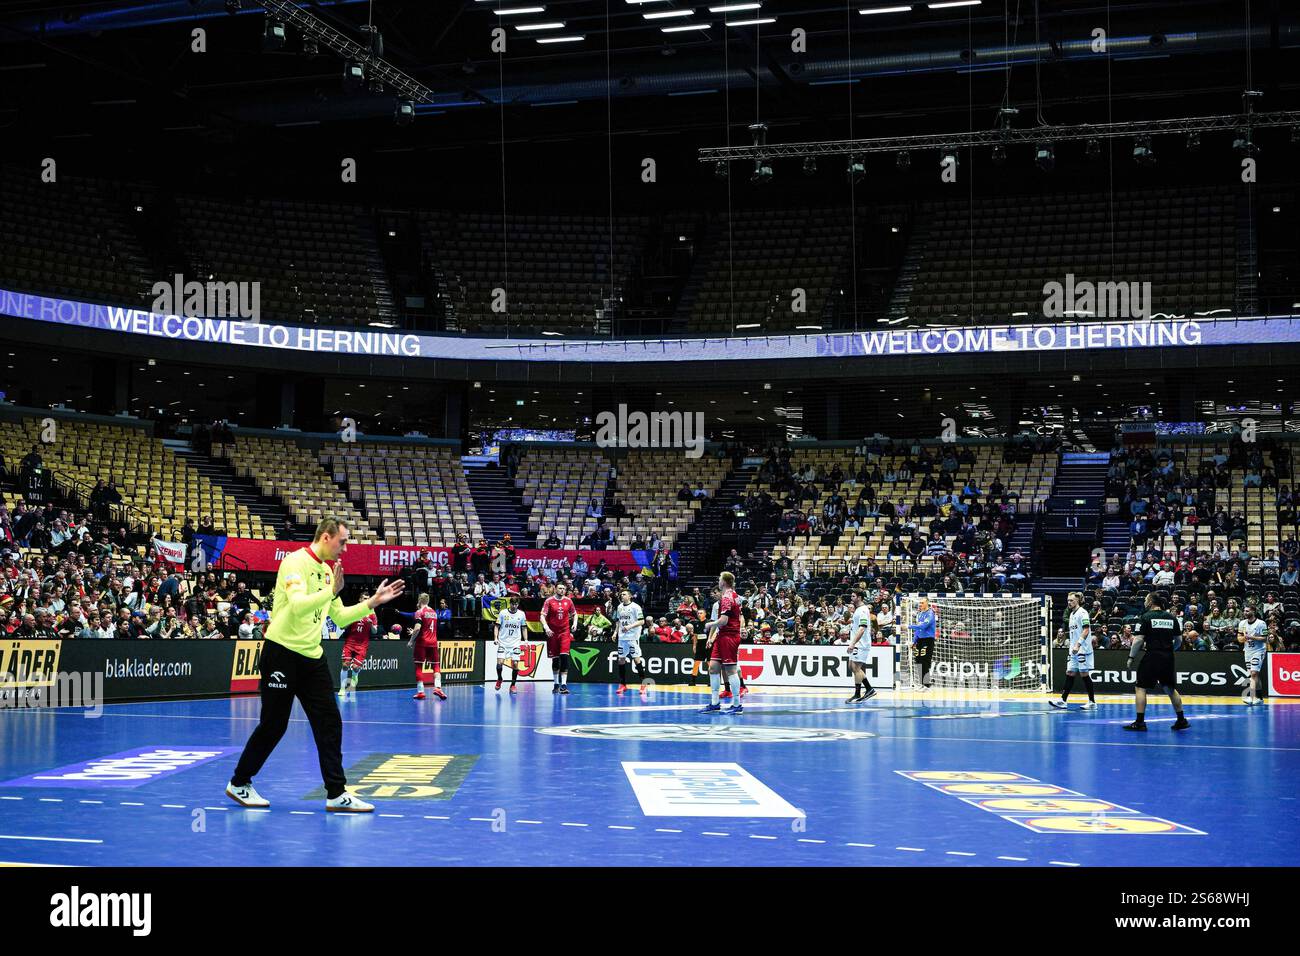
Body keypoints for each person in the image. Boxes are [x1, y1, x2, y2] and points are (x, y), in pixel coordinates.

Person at [226, 516, 404, 813]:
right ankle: (240, 782)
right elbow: (297, 606)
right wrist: (330, 591)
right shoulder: (294, 563)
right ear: (326, 537)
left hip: (312, 657)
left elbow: (340, 616)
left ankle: (336, 793)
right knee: (274, 725)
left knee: (329, 723)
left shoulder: (327, 571)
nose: (345, 549)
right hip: (281, 653)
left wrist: (372, 602)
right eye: (343, 542)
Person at [1123, 592, 1189, 732]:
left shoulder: (1145, 617)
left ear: (1152, 602)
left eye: (1147, 600)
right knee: (1170, 688)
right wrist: (1169, 650)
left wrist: (1131, 657)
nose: (1145, 602)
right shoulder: (1172, 618)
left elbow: (1139, 640)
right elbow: (1178, 641)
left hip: (1152, 656)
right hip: (1168, 656)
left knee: (1140, 687)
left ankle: (1140, 722)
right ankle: (1181, 720)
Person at [699, 570, 744, 715]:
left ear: (724, 582)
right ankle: (714, 703)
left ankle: (737, 704)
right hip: (722, 636)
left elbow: (724, 621)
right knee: (713, 667)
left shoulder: (727, 597)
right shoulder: (734, 595)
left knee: (730, 670)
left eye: (719, 578)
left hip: (729, 636)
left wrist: (709, 625)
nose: (718, 580)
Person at [1050, 592, 1097, 710]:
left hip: (1083, 649)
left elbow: (1086, 630)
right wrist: (1072, 647)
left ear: (1077, 601)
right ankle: (1063, 701)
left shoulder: (1083, 613)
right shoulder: (1071, 614)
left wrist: (1078, 644)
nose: (1069, 602)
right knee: (1070, 672)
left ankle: (1092, 702)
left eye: (1071, 600)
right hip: (1073, 650)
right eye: (1068, 600)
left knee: (1083, 674)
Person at [406, 592, 446, 701]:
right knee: (436, 666)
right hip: (433, 642)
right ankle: (438, 687)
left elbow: (418, 628)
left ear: (419, 600)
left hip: (422, 642)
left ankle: (421, 692)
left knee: (419, 667)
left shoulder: (419, 612)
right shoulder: (434, 612)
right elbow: (428, 627)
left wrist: (411, 640)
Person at [542, 582, 576, 695]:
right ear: (555, 589)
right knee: (555, 660)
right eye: (560, 588)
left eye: (564, 589)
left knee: (564, 657)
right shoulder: (549, 601)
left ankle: (564, 685)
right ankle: (556, 684)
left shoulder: (569, 601)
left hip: (565, 632)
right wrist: (546, 627)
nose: (562, 590)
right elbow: (542, 616)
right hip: (552, 633)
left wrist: (574, 623)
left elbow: (574, 613)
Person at [337, 610, 378, 699]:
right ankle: (342, 689)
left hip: (362, 645)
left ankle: (355, 675)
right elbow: (342, 627)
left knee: (355, 668)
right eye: (364, 598)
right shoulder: (354, 611)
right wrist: (351, 619)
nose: (366, 600)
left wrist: (371, 624)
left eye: (367, 598)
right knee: (345, 665)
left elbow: (375, 631)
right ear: (360, 599)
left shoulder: (372, 615)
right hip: (350, 643)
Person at [613, 589, 648, 696]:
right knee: (621, 659)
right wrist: (615, 633)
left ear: (630, 596)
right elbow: (618, 621)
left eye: (624, 594)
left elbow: (642, 621)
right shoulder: (619, 607)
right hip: (622, 637)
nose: (621, 595)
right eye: (621, 594)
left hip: (633, 636)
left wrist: (629, 626)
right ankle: (623, 684)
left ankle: (643, 684)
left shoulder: (635, 607)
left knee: (636, 659)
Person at [845, 591, 877, 704]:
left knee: (856, 668)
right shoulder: (857, 610)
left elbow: (862, 628)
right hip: (858, 643)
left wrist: (852, 643)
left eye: (853, 596)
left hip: (861, 644)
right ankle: (862, 692)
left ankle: (867, 690)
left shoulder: (863, 610)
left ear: (859, 597)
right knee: (852, 667)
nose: (851, 597)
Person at [494, 595, 527, 693]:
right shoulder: (503, 613)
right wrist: (495, 638)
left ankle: (512, 685)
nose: (514, 606)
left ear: (518, 604)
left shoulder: (521, 614)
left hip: (515, 643)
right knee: (499, 664)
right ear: (510, 604)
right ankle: (500, 678)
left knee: (516, 664)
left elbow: (524, 627)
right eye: (513, 604)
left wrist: (525, 640)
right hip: (503, 642)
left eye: (516, 604)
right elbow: (496, 626)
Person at [1236, 605, 1269, 706]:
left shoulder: (1261, 623)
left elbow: (1265, 638)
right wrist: (1242, 639)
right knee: (1254, 675)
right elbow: (1239, 637)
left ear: (1253, 611)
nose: (1245, 613)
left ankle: (1252, 697)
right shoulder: (1242, 623)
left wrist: (1251, 637)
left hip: (1259, 650)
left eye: (1247, 611)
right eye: (1244, 611)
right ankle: (1259, 698)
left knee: (1254, 674)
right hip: (1248, 651)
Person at [908, 596, 937, 690]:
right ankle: (922, 683)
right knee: (918, 661)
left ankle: (927, 685)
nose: (920, 604)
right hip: (920, 640)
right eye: (920, 603)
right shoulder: (919, 614)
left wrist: (909, 626)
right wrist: (914, 641)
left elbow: (924, 626)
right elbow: (918, 630)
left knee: (925, 661)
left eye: (922, 603)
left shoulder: (930, 613)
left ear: (927, 603)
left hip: (928, 640)